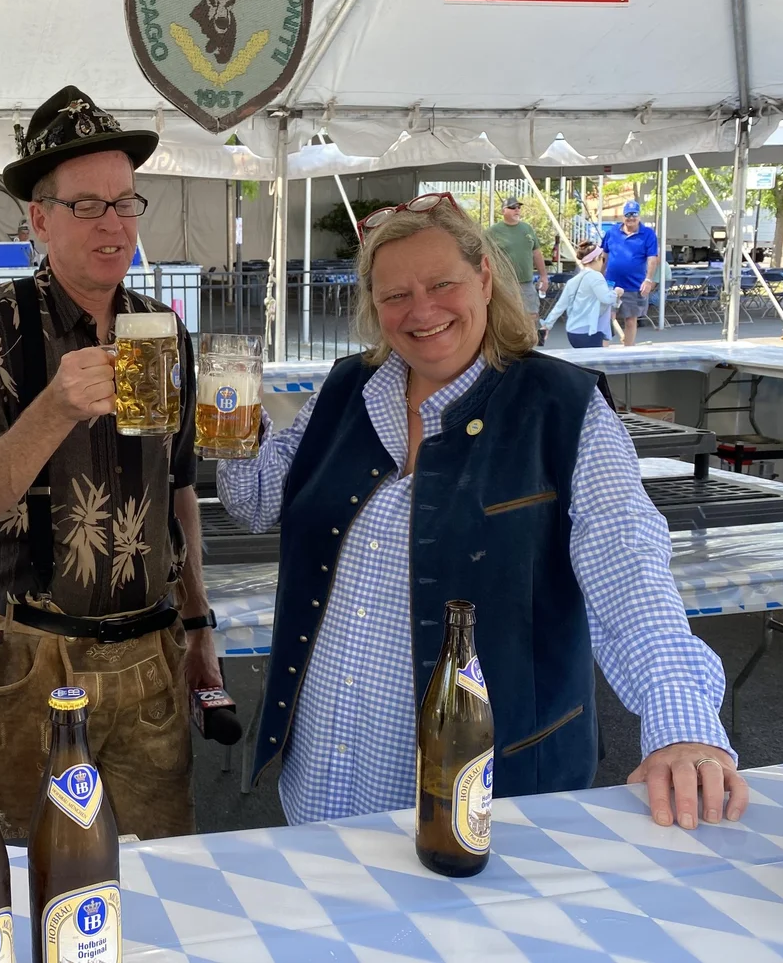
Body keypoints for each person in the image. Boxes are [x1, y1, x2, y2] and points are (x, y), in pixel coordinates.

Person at [221, 192, 744, 834]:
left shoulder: (561, 409)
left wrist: (683, 728)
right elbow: (254, 504)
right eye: (394, 296)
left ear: (485, 278)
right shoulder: (347, 389)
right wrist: (226, 418)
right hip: (324, 776)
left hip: (483, 792)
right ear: (373, 306)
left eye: (442, 283)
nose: (422, 310)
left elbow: (631, 580)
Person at [0, 86, 220, 843]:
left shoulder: (162, 328)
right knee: (24, 877)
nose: (114, 225)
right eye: (88, 205)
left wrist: (199, 624)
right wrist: (55, 407)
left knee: (166, 876)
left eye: (127, 204)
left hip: (152, 654)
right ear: (39, 218)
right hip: (30, 658)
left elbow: (179, 486)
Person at [485, 196, 549, 343]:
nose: (517, 210)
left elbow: (537, 253)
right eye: (513, 207)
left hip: (526, 282)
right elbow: (483, 255)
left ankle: (531, 346)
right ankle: (509, 346)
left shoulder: (527, 229)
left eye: (518, 207)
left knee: (532, 314)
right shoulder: (493, 232)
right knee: (507, 317)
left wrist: (543, 276)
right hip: (505, 283)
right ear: (503, 211)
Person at [603, 200, 659, 346]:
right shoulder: (612, 232)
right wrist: (599, 276)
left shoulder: (648, 234)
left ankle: (628, 349)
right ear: (623, 216)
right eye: (628, 214)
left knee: (630, 319)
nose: (631, 218)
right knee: (607, 317)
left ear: (639, 216)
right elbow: (604, 256)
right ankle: (603, 349)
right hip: (611, 283)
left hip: (634, 284)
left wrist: (648, 280)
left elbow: (652, 259)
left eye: (634, 214)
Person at [543, 240, 618, 348]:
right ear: (597, 258)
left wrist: (547, 325)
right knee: (592, 364)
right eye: (603, 259)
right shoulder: (596, 276)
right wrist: (617, 292)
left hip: (573, 332)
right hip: (590, 331)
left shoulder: (574, 280)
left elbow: (560, 306)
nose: (603, 262)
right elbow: (607, 299)